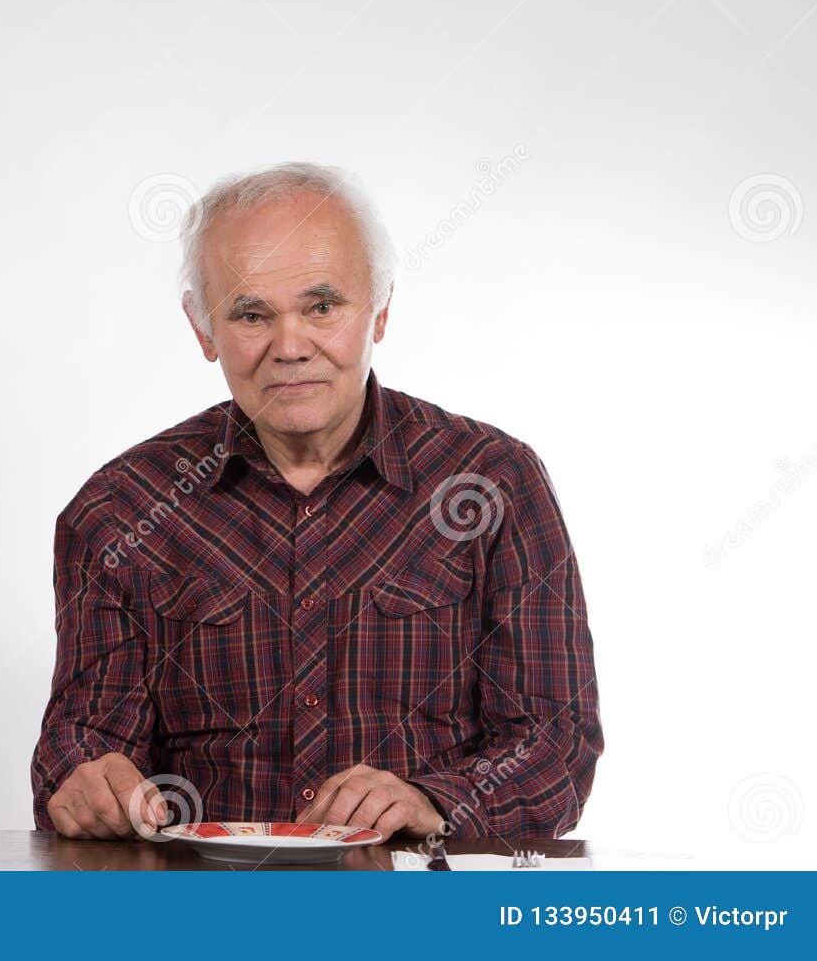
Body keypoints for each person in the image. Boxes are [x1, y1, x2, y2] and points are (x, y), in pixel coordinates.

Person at [32, 163, 601, 840]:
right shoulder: (120, 509)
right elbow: (84, 747)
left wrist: (434, 801)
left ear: (381, 309)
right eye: (251, 314)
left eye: (322, 306)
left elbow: (554, 748)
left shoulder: (494, 483)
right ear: (202, 327)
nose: (291, 346)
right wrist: (88, 786)